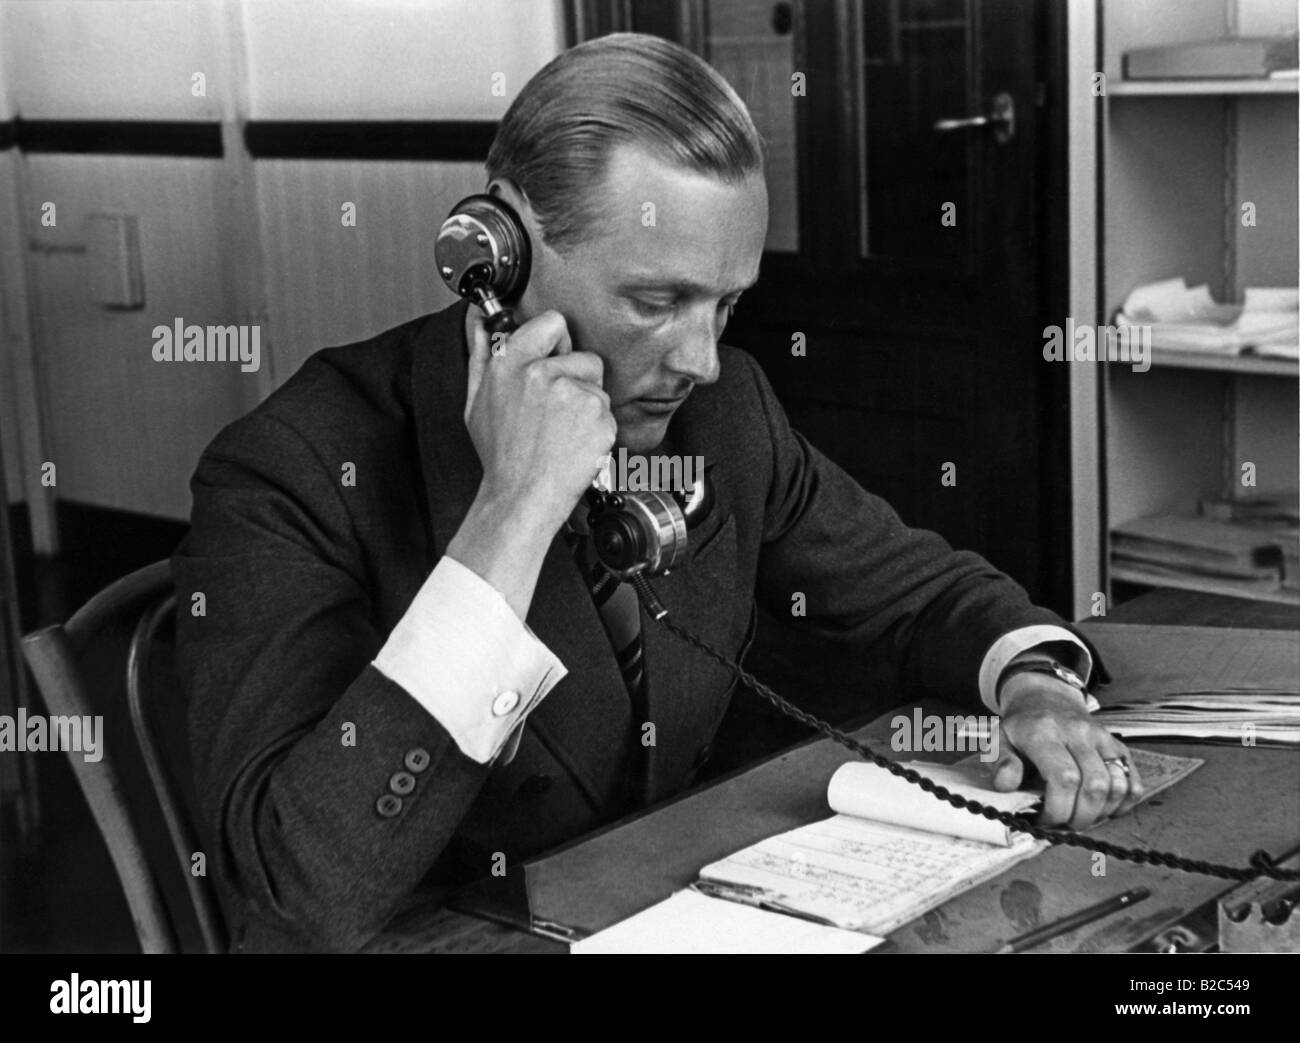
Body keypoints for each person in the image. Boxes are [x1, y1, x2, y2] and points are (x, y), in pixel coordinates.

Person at [174, 33, 1141, 953]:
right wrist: (508, 518)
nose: (702, 360)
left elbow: (919, 592)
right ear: (498, 250)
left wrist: (1032, 684)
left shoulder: (726, 419)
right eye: (656, 301)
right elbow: (291, 904)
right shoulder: (293, 467)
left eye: (726, 303)